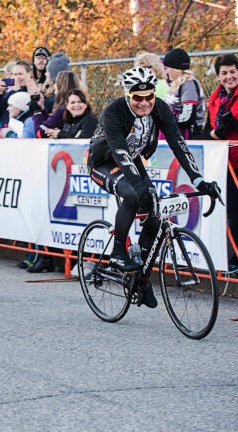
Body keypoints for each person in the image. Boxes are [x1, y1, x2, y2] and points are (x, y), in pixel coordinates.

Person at [88, 66, 221, 308]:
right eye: (137, 98)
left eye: (149, 95)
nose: (144, 102)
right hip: (105, 161)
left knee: (156, 214)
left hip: (132, 159)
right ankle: (118, 253)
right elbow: (120, 153)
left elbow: (177, 144)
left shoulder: (160, 107)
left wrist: (198, 180)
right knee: (132, 194)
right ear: (128, 95)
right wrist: (140, 188)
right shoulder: (113, 112)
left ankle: (140, 278)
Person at [206, 54, 238, 271]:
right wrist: (214, 133)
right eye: (224, 73)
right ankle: (234, 259)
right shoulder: (215, 99)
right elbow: (209, 128)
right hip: (226, 163)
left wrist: (234, 123)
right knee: (233, 212)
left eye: (233, 72)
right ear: (218, 76)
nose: (229, 77)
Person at [162, 48, 206, 140]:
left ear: (176, 68)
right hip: (176, 133)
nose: (166, 72)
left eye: (167, 68)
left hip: (188, 135)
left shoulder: (188, 83)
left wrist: (166, 123)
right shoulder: (176, 84)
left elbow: (188, 117)